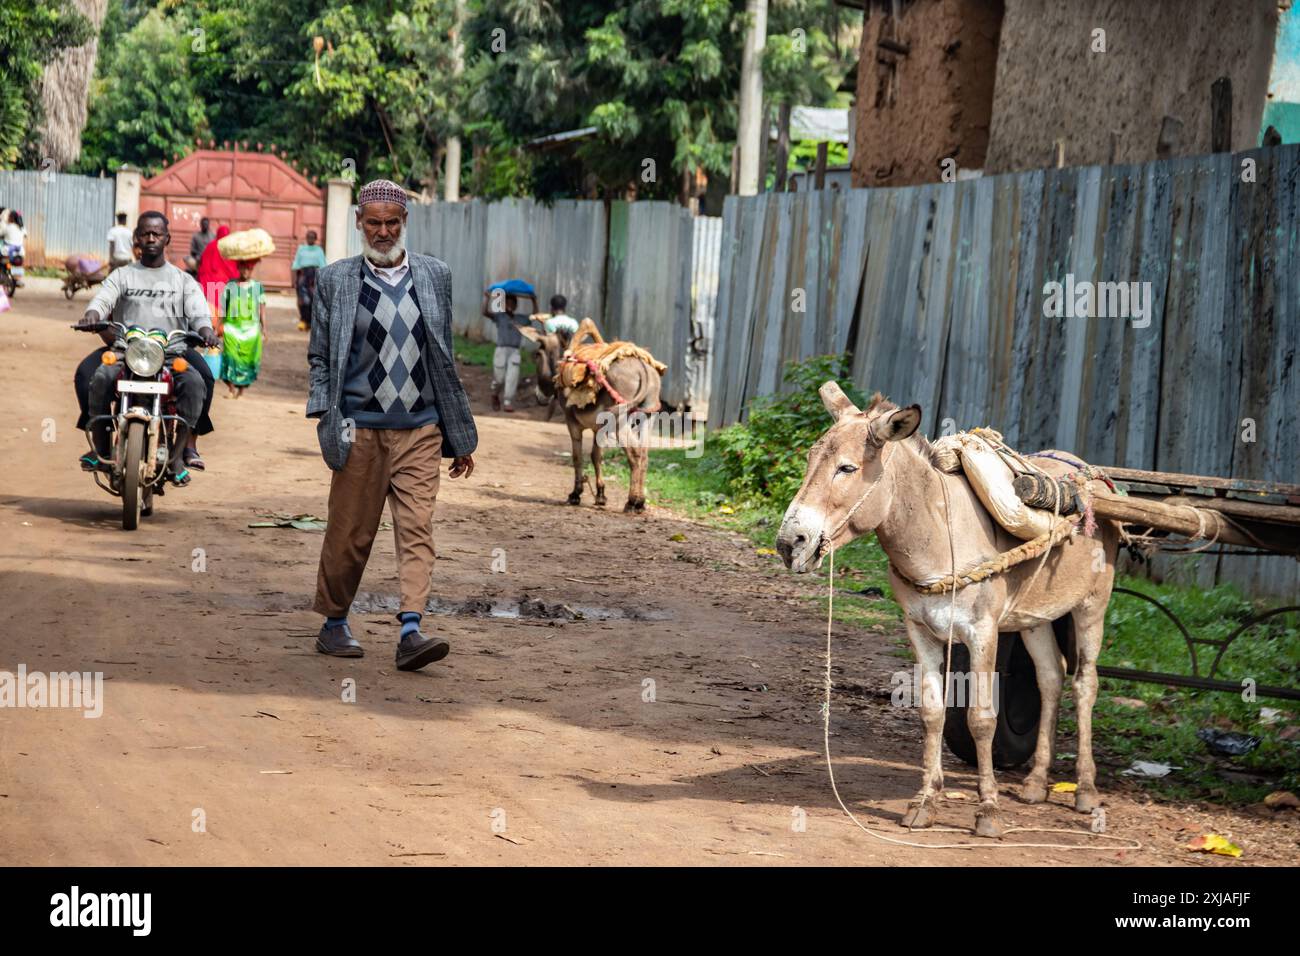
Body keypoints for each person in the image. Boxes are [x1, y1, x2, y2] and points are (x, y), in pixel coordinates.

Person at [307, 179, 478, 671]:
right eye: (374, 223)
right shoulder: (337, 279)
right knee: (350, 532)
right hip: (359, 427)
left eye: (392, 223)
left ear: (405, 223)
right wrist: (326, 416)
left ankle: (411, 630)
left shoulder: (435, 275)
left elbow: (444, 358)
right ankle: (334, 623)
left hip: (421, 428)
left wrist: (457, 434)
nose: (383, 232)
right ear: (359, 223)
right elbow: (320, 356)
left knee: (417, 526)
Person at [75, 211, 217, 484]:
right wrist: (93, 314)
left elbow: (199, 313)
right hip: (125, 350)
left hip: (171, 351)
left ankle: (181, 451)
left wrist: (206, 330)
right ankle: (101, 445)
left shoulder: (183, 280)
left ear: (167, 239)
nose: (151, 238)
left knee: (199, 382)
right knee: (90, 376)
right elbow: (103, 299)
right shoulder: (123, 275)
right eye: (146, 234)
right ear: (137, 238)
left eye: (157, 234)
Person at [219, 257, 266, 397]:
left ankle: (241, 389)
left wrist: (264, 328)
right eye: (243, 267)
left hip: (251, 331)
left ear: (252, 270)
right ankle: (231, 387)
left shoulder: (257, 287)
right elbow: (224, 307)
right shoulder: (230, 285)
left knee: (246, 360)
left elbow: (262, 309)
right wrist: (219, 324)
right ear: (238, 268)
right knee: (230, 357)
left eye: (249, 268)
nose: (246, 271)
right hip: (231, 329)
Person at [481, 288, 534, 412]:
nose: (510, 305)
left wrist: (533, 300)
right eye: (507, 303)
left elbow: (534, 316)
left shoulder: (521, 319)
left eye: (512, 303)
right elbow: (484, 312)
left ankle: (507, 401)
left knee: (512, 377)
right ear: (503, 305)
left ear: (516, 305)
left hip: (515, 351)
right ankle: (495, 394)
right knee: (499, 378)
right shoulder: (499, 316)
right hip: (501, 350)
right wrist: (487, 297)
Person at [197, 224, 238, 316]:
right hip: (225, 282)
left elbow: (202, 264)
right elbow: (234, 268)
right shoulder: (230, 248)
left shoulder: (210, 246)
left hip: (208, 282)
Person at [290, 229, 326, 331]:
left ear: (315, 239)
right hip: (303, 276)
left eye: (312, 237)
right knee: (303, 300)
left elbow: (323, 265)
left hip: (314, 277)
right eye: (308, 237)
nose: (310, 239)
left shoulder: (318, 250)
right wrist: (293, 281)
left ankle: (311, 322)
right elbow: (296, 264)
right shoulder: (301, 249)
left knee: (313, 299)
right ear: (306, 238)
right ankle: (303, 320)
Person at [2, 210, 25, 287]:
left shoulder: (8, 227)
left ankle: (2, 274)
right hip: (20, 252)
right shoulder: (22, 228)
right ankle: (17, 279)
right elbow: (25, 235)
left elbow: (1, 233)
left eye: (8, 216)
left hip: (8, 251)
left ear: (11, 218)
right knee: (18, 264)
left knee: (2, 258)